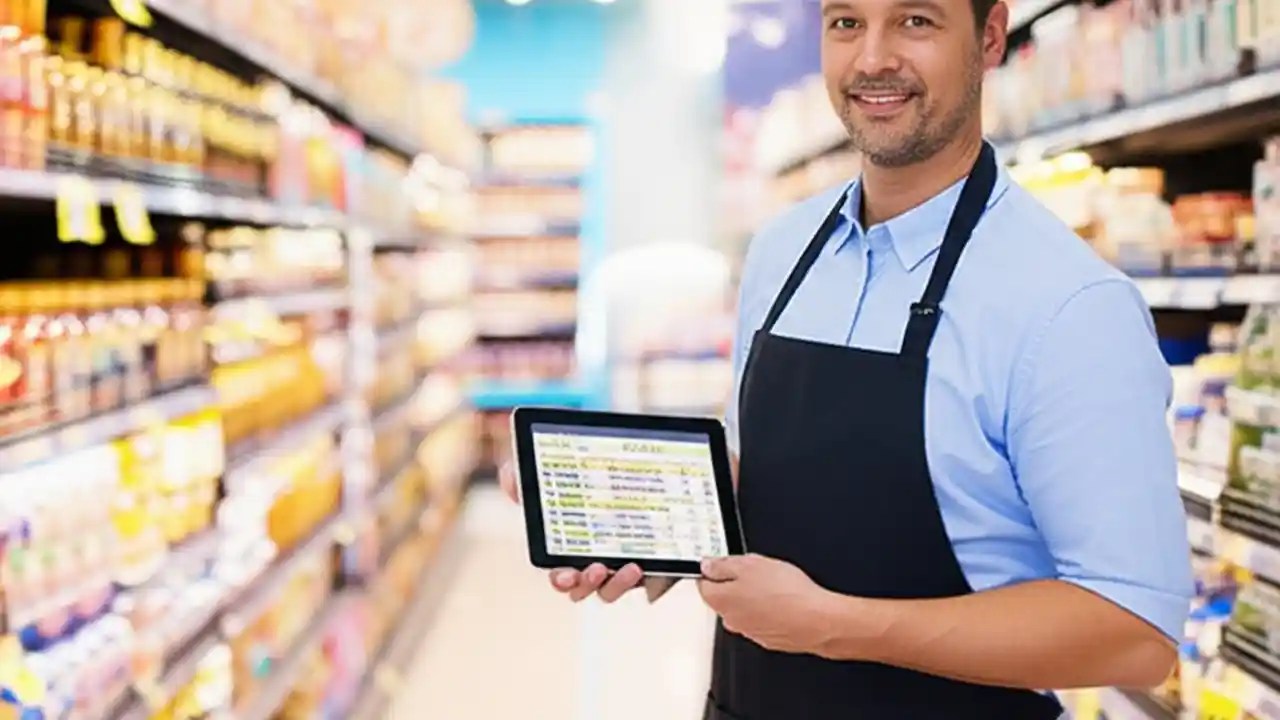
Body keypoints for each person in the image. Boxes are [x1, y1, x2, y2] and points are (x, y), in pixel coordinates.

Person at [500, 0, 1194, 715]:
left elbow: (1134, 633)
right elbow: (778, 477)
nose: (871, 59)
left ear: (989, 38)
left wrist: (834, 627)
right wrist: (647, 519)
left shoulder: (1070, 304)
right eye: (846, 23)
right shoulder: (782, 252)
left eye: (915, 21)